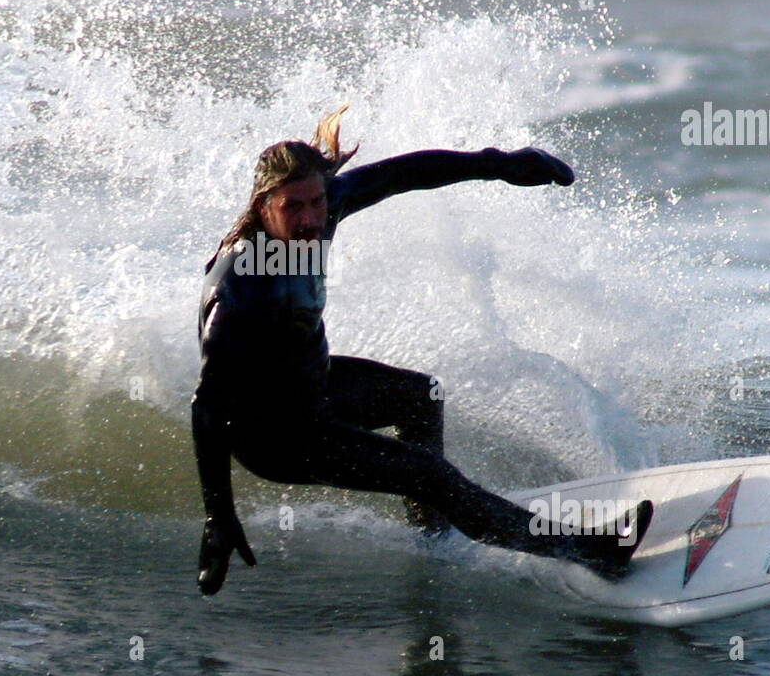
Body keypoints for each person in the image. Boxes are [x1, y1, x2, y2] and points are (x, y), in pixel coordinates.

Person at [191, 104, 650, 595]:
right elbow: (208, 407)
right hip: (276, 435)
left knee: (420, 396)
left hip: (313, 387)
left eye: (316, 203)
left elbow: (405, 173)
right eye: (293, 208)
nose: (309, 220)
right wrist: (219, 515)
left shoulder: (324, 207)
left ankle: (434, 535)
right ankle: (597, 554)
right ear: (264, 207)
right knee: (429, 473)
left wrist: (498, 164)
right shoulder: (243, 285)